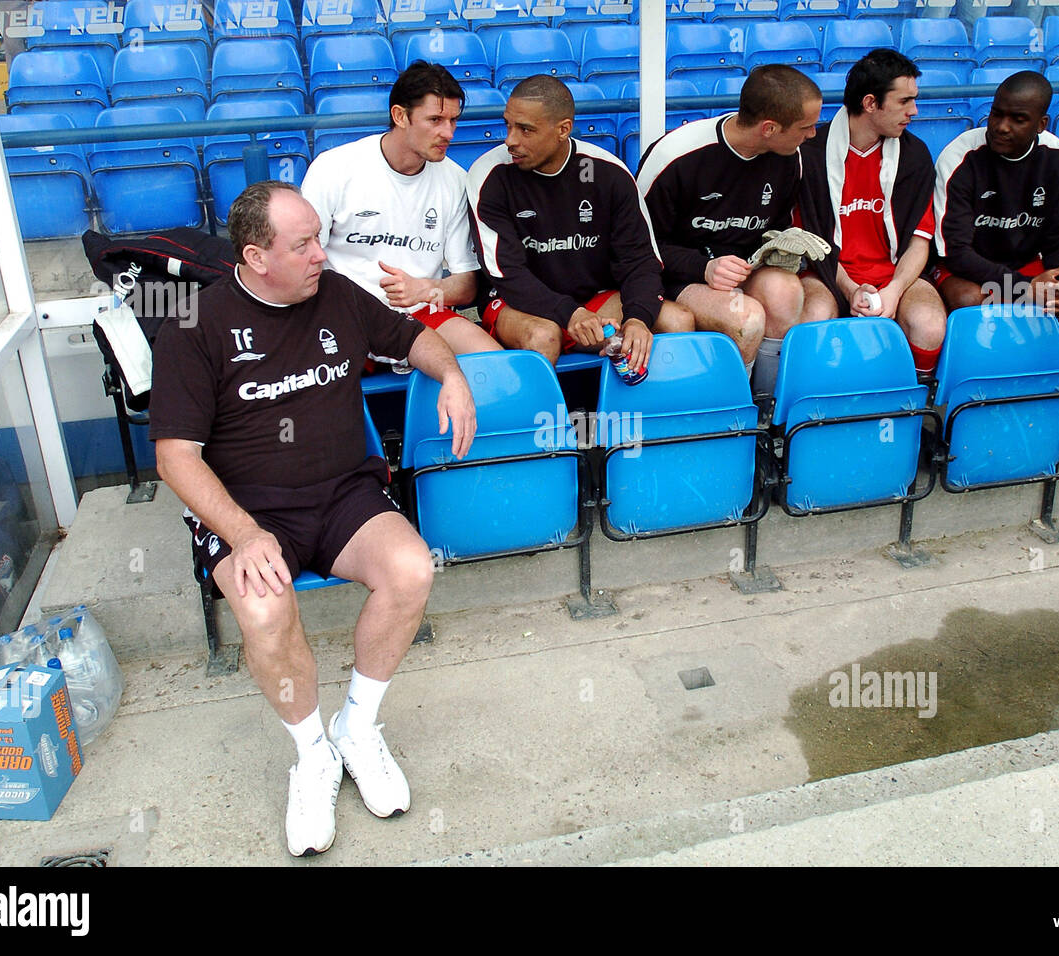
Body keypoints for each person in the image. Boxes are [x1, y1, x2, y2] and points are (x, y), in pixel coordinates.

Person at [148, 181, 477, 858]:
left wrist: (452, 377)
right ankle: (313, 755)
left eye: (320, 238)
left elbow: (416, 339)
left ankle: (357, 729)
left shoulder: (336, 294)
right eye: (303, 245)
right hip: (248, 510)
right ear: (255, 257)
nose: (321, 255)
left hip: (341, 495)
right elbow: (175, 458)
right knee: (265, 611)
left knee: (412, 569)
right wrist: (242, 533)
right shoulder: (195, 324)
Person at [466, 74, 692, 372]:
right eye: (507, 125)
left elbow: (640, 260)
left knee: (676, 320)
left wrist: (638, 319)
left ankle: (653, 415)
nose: (511, 140)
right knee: (543, 336)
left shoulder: (609, 173)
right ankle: (544, 418)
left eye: (525, 130)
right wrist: (570, 313)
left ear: (563, 129)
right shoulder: (490, 175)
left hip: (592, 303)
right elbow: (507, 274)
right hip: (517, 304)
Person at [301, 61, 500, 365]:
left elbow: (466, 285)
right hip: (343, 313)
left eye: (453, 121)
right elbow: (304, 258)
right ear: (399, 116)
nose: (448, 132)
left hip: (421, 311)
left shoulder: (456, 180)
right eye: (435, 119)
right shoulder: (334, 169)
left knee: (496, 363)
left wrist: (426, 288)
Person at [635, 64, 823, 386]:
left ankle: (767, 408)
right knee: (746, 319)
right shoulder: (675, 156)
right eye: (805, 127)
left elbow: (773, 225)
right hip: (678, 277)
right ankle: (734, 408)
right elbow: (638, 248)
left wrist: (779, 246)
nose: (813, 134)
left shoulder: (791, 156)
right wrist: (704, 268)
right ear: (769, 128)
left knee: (785, 291)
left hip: (742, 269)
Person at [798, 49, 946, 379]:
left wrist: (894, 289)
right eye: (904, 101)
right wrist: (850, 289)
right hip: (827, 272)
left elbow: (920, 242)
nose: (914, 111)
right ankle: (806, 412)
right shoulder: (809, 153)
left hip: (896, 274)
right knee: (813, 319)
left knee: (930, 324)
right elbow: (807, 242)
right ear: (870, 103)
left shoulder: (915, 155)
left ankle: (912, 407)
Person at [932, 71, 1059, 362]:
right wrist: (1024, 288)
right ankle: (977, 376)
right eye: (996, 114)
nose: (1001, 127)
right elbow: (956, 253)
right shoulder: (960, 156)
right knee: (971, 300)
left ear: (1041, 124)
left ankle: (1056, 378)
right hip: (965, 270)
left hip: (1025, 266)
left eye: (1017, 119)